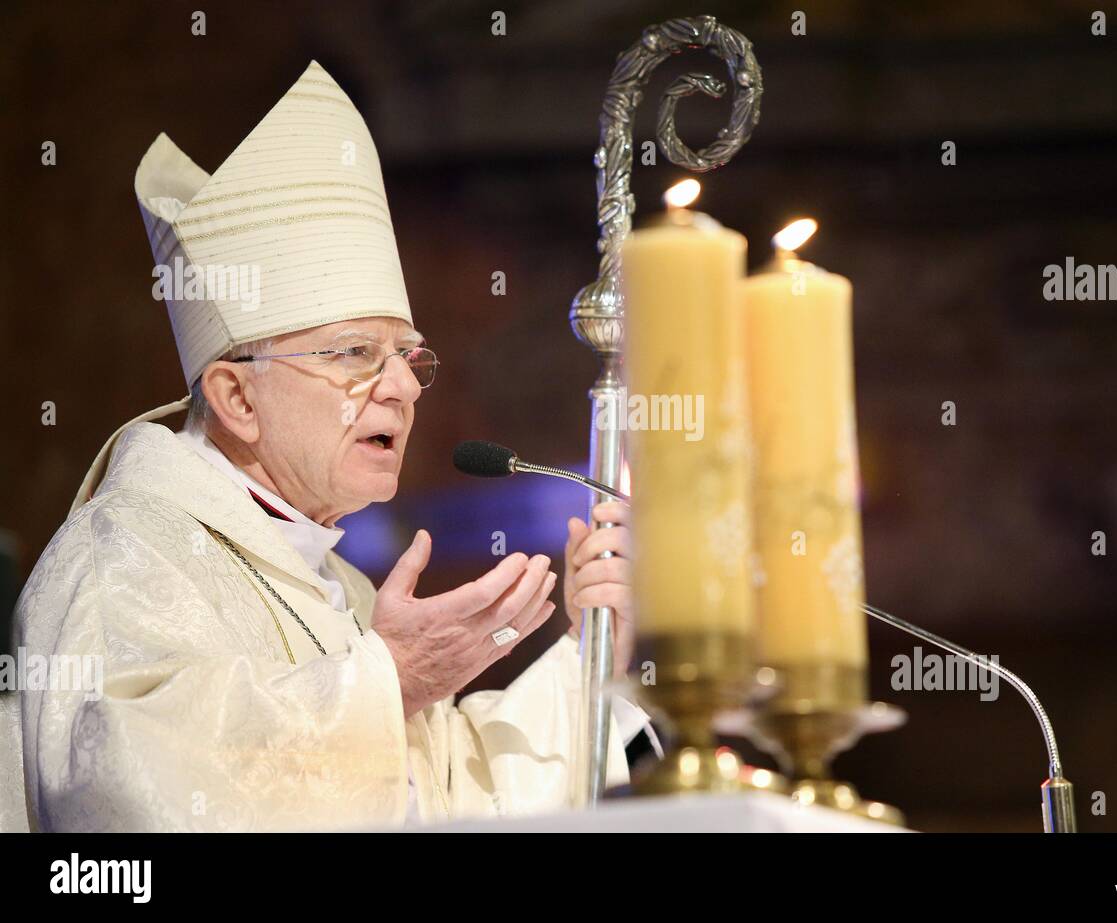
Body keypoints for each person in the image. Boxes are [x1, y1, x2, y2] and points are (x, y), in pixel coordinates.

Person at [5, 61, 652, 833]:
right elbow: (131, 796)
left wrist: (591, 653)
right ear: (237, 398)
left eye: (407, 356)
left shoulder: (333, 581)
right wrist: (387, 684)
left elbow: (448, 797)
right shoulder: (121, 561)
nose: (405, 389)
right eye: (352, 354)